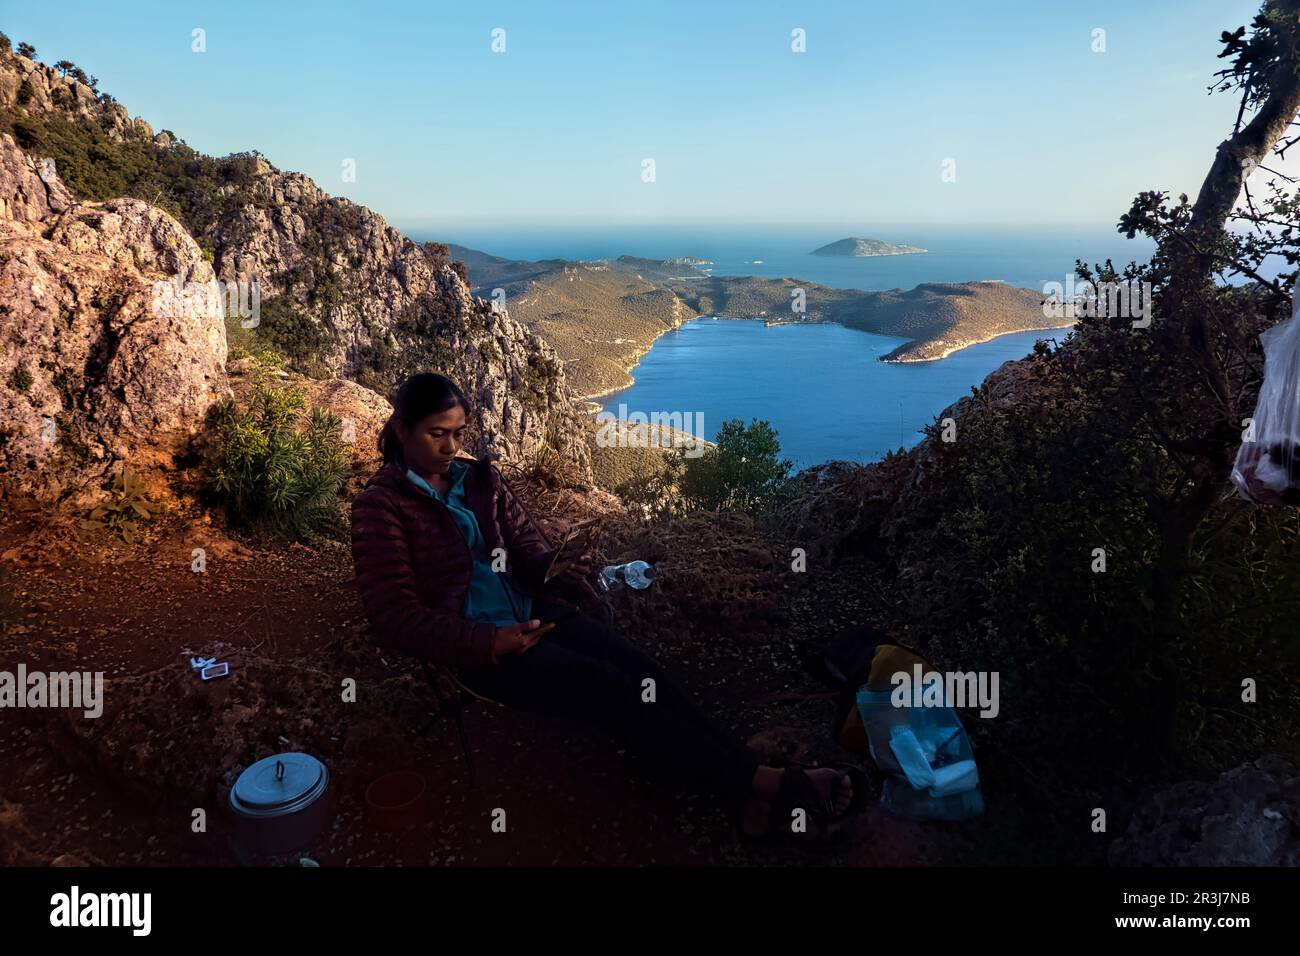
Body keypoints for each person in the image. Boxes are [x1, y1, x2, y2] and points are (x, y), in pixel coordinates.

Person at [350, 372, 864, 839]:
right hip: (482, 647)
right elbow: (392, 615)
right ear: (401, 430)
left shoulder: (479, 480)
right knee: (614, 692)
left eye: (458, 433)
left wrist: (557, 563)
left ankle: (746, 789)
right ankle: (767, 784)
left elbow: (525, 548)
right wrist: (489, 640)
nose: (451, 446)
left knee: (645, 674)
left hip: (531, 611)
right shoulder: (383, 506)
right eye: (436, 434)